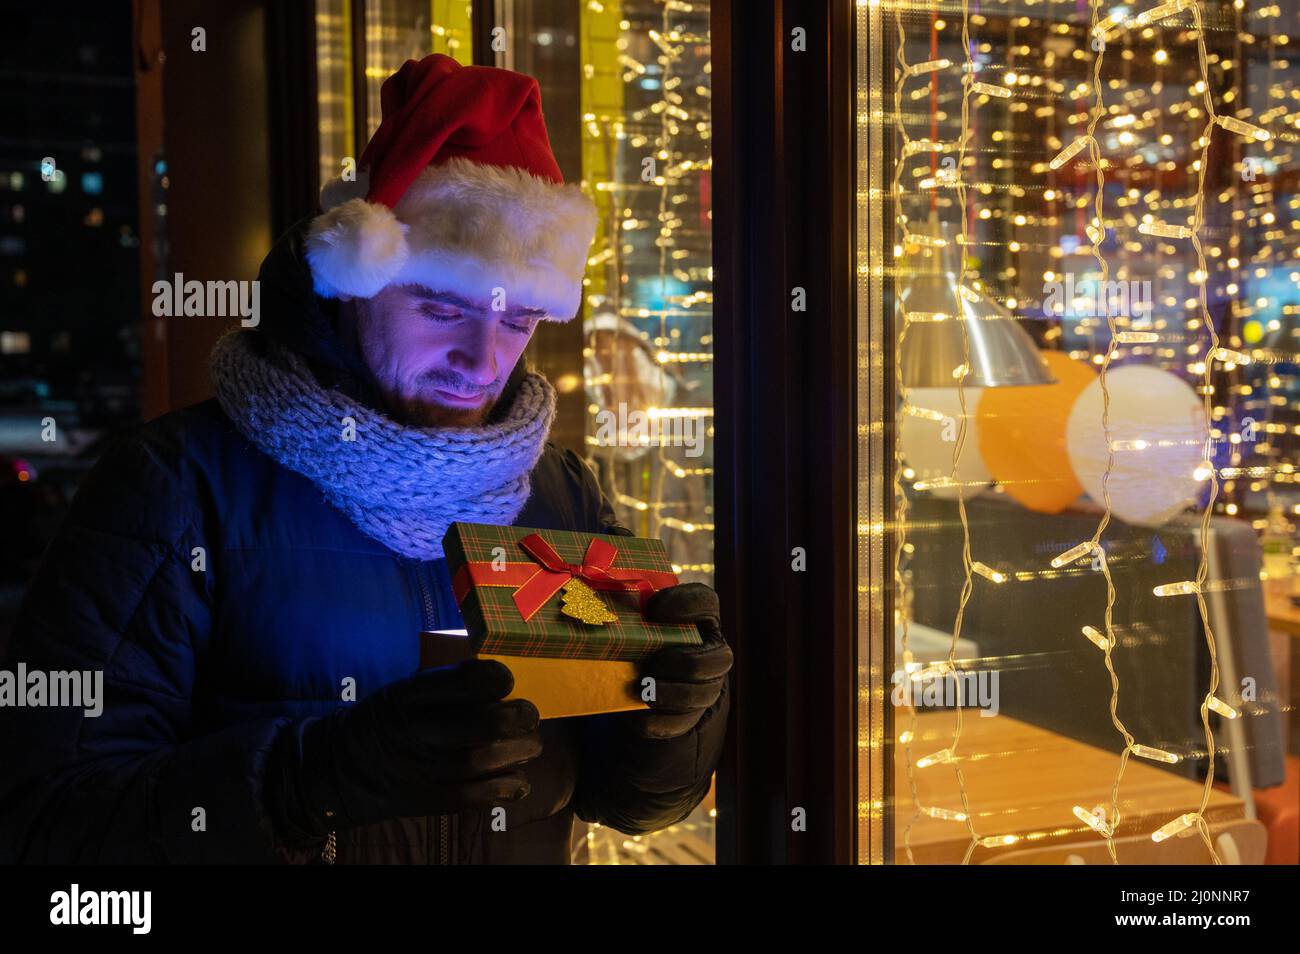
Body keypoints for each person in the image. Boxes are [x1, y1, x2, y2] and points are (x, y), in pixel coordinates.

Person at [0, 54, 731, 864]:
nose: (482, 360)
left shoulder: (557, 493)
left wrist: (670, 720)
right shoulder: (175, 488)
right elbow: (46, 830)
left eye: (520, 319)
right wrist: (307, 782)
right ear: (353, 283)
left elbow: (628, 800)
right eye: (443, 307)